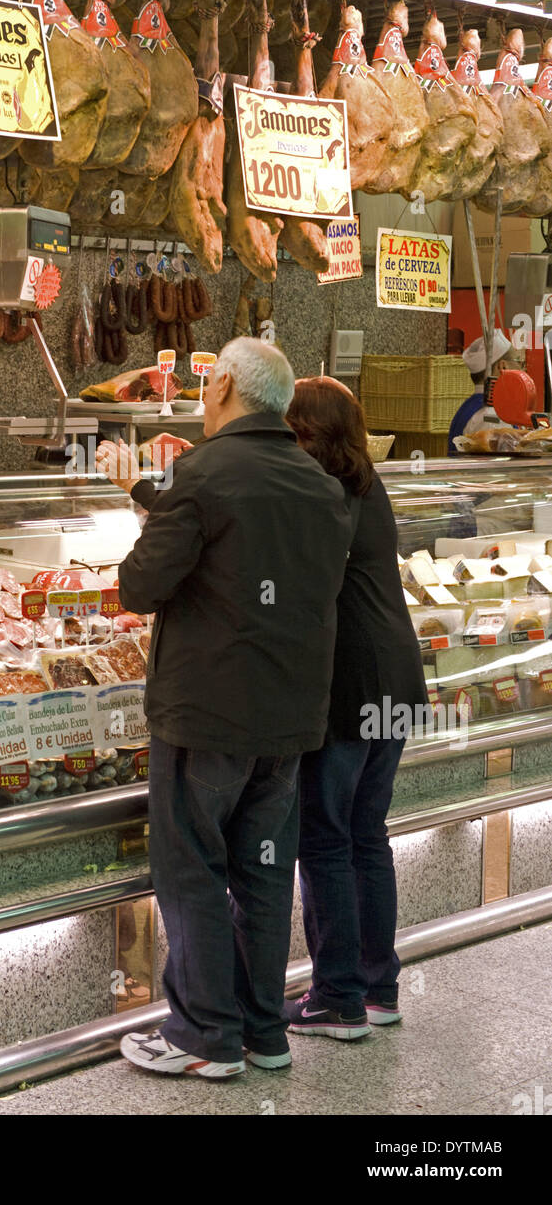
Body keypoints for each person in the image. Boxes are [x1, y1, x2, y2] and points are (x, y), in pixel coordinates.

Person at [96, 338, 354, 1078]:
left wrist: (154, 517)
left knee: (195, 870)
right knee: (266, 872)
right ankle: (261, 1032)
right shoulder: (317, 484)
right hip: (290, 718)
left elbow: (140, 588)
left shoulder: (202, 473)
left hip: (207, 712)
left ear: (224, 389)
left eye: (209, 384)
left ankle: (203, 1037)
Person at [284, 377, 427, 1039]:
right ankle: (378, 989)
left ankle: (335, 996)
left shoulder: (316, 493)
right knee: (366, 833)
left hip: (349, 682)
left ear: (306, 434)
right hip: (396, 674)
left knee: (325, 836)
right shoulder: (368, 484)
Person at [447, 329, 513, 455]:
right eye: (519, 362)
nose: (523, 369)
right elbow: (495, 470)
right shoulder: (491, 415)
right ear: (502, 367)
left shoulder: (470, 405)